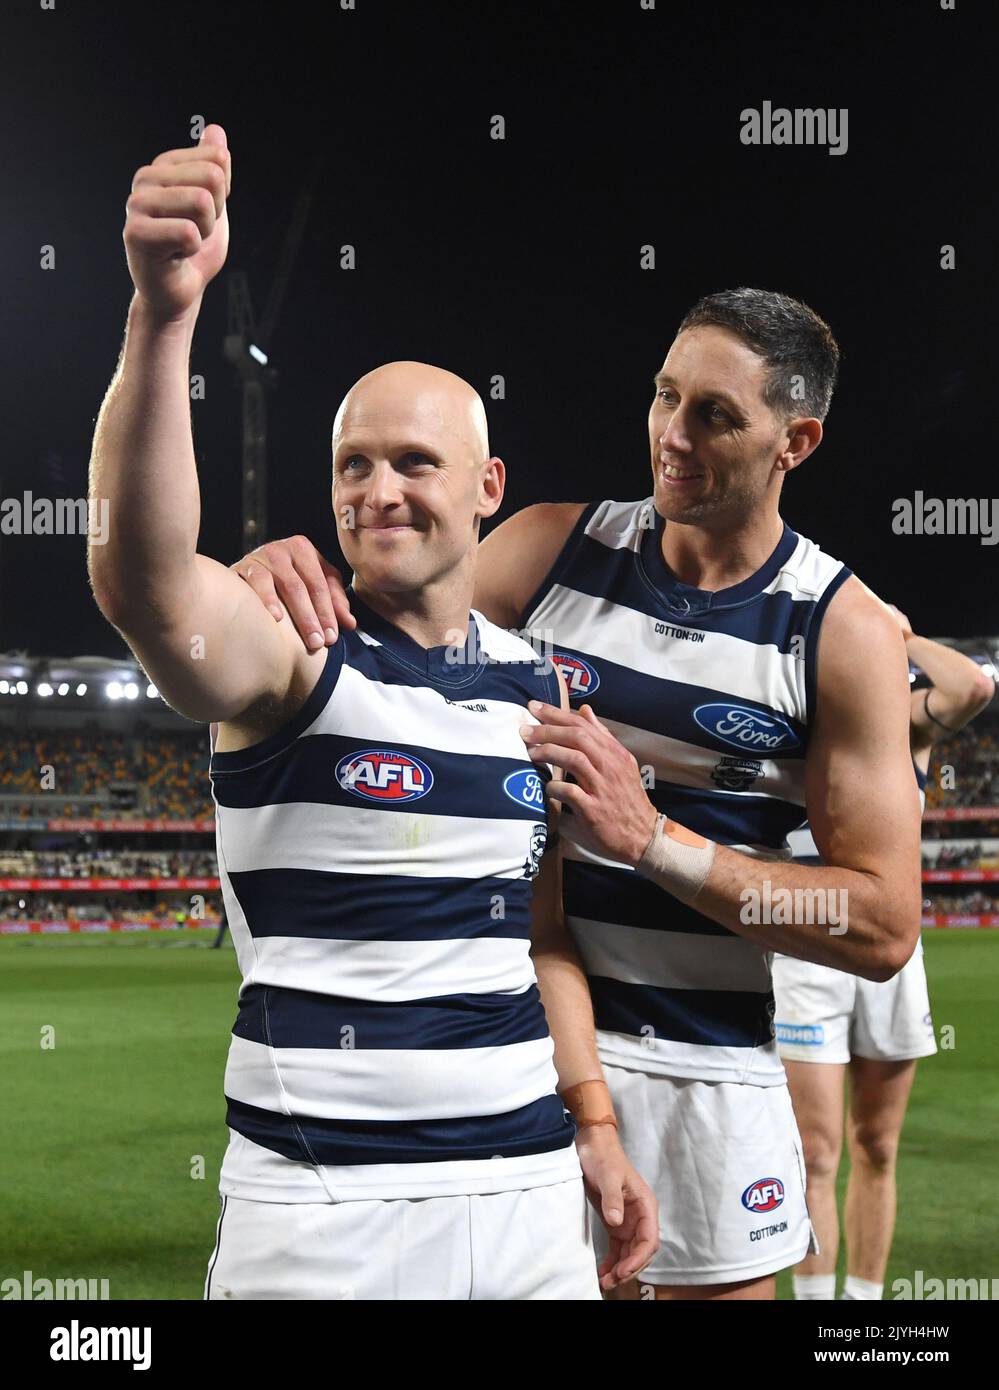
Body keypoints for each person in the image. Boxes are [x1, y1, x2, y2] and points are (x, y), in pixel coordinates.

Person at [231, 285, 923, 1298]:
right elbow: (390, 609)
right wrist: (268, 578)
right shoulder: (554, 550)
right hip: (521, 1076)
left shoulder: (839, 627)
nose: (672, 435)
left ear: (797, 440)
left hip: (705, 1076)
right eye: (664, 395)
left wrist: (656, 841)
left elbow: (882, 923)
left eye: (716, 414)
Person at [87, 123, 656, 1300]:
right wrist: (162, 317)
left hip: (528, 1199)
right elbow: (142, 581)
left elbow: (539, 939)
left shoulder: (541, 685)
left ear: (488, 488)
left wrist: (593, 1120)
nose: (376, 489)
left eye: (412, 462)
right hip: (323, 1213)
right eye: (352, 465)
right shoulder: (294, 647)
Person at [772, 605, 994, 1301]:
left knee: (876, 1146)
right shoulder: (792, 714)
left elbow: (971, 687)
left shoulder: (903, 721)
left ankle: (862, 1315)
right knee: (814, 1151)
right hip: (807, 947)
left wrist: (897, 635)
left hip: (892, 950)